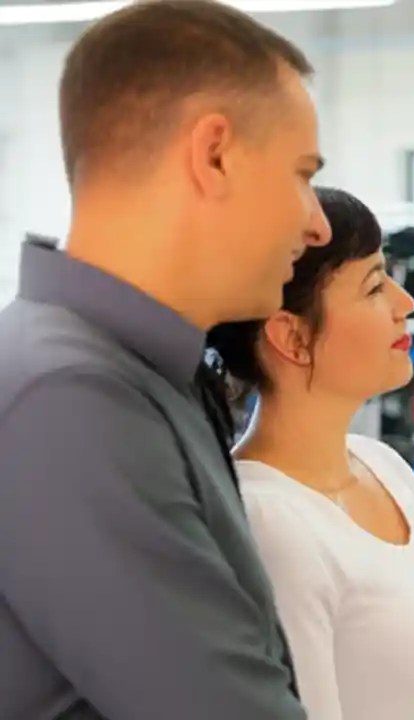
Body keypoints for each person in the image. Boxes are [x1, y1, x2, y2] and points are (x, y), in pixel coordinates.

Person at [0, 2, 331, 718]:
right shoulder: (72, 400)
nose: (318, 222)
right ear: (212, 154)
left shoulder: (143, 371)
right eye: (302, 173)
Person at [205, 187, 414, 720]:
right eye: (373, 287)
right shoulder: (272, 522)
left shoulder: (381, 467)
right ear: (292, 337)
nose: (404, 304)